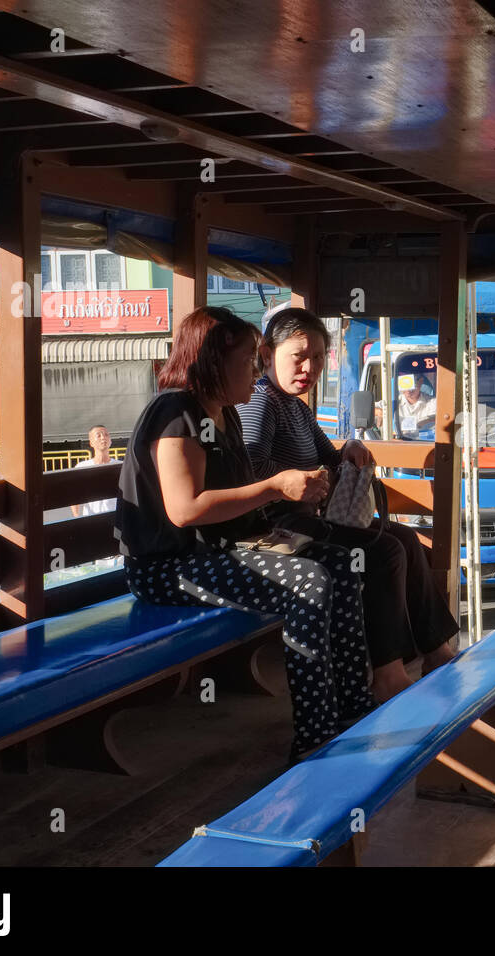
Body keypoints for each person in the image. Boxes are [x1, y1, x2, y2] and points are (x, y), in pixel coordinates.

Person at [114, 306, 372, 760]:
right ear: (213, 361)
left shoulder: (224, 413)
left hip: (219, 553)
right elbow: (185, 509)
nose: (256, 369)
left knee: (341, 564)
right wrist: (276, 486)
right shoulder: (176, 412)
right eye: (248, 359)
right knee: (310, 584)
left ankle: (354, 709)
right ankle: (315, 738)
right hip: (166, 568)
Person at [238, 305, 460, 702]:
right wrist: (295, 478)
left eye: (320, 357)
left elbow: (329, 454)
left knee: (405, 539)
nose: (310, 367)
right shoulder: (261, 402)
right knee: (384, 550)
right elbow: (252, 465)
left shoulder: (296, 406)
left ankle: (437, 651)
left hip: (309, 522)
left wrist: (350, 448)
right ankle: (387, 673)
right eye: (299, 356)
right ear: (268, 354)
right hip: (278, 530)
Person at [70, 425, 116, 519]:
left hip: (115, 518)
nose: (103, 437)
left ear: (110, 441)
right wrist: (76, 517)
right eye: (98, 435)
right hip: (91, 518)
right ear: (91, 443)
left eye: (106, 435)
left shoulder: (120, 465)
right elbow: (74, 494)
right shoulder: (82, 467)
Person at [396, 372, 437, 437]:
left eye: (412, 383)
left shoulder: (433, 402)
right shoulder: (393, 402)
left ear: (421, 381)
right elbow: (376, 408)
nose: (408, 390)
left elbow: (439, 418)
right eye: (405, 383)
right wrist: (380, 412)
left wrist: (425, 421)